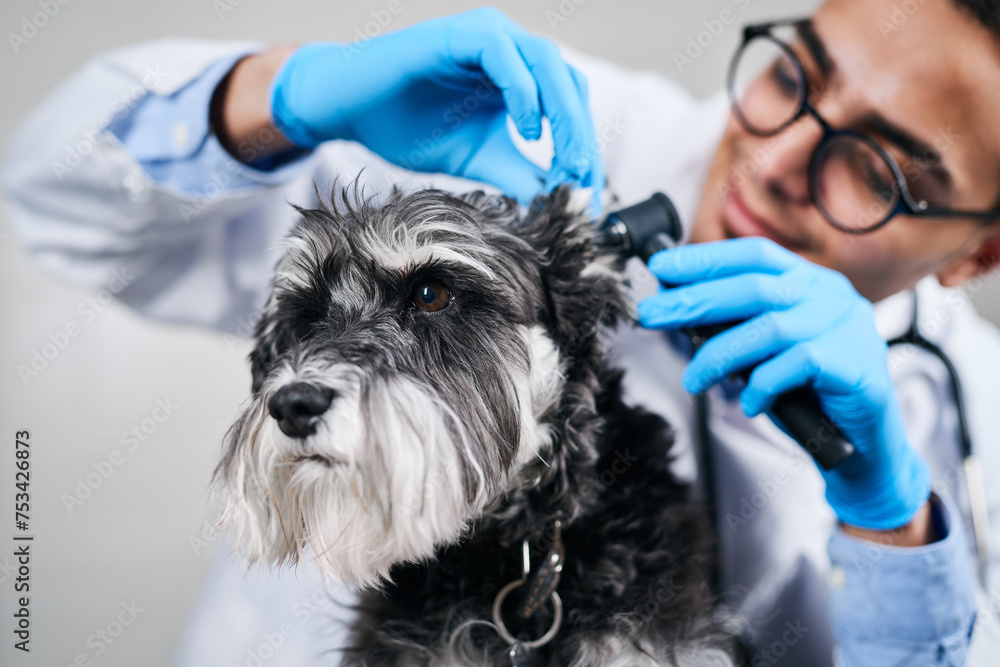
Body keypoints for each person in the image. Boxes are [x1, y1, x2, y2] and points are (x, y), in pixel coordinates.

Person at [4, 1, 1000, 665]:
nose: (778, 157)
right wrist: (287, 97)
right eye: (793, 75)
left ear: (975, 256)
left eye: (878, 167)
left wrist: (892, 512)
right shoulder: (508, 136)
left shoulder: (969, 409)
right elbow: (53, 195)